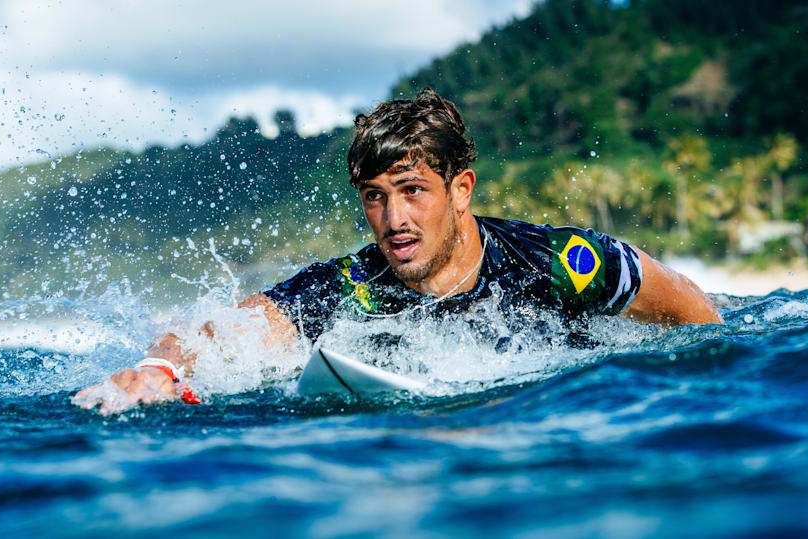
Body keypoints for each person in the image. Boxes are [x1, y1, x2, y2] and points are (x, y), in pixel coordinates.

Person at [75, 89, 722, 414]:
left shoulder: (558, 261)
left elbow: (698, 317)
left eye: (412, 190)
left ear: (460, 188)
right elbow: (221, 331)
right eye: (375, 197)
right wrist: (160, 368)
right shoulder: (353, 285)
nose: (395, 219)